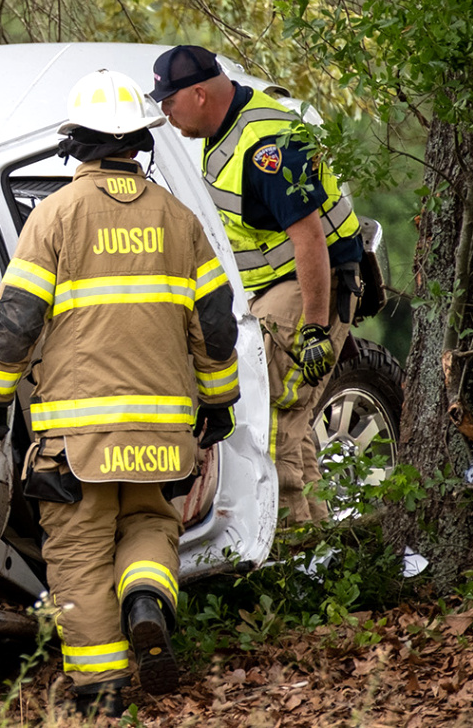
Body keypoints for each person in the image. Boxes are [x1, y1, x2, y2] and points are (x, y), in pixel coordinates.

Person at [0, 70, 239, 717]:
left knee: (79, 552)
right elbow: (216, 322)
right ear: (138, 145)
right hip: (162, 433)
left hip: (77, 440)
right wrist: (219, 400)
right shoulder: (179, 222)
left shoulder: (55, 217)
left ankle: (104, 691)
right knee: (150, 523)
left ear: (76, 146)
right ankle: (146, 599)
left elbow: (16, 323)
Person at [151, 45, 362, 523]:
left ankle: (284, 549)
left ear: (200, 94)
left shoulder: (266, 145)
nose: (166, 113)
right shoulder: (223, 128)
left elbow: (308, 236)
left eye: (169, 102)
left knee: (267, 422)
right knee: (293, 423)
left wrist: (312, 327)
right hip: (273, 288)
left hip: (306, 284)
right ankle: (317, 548)